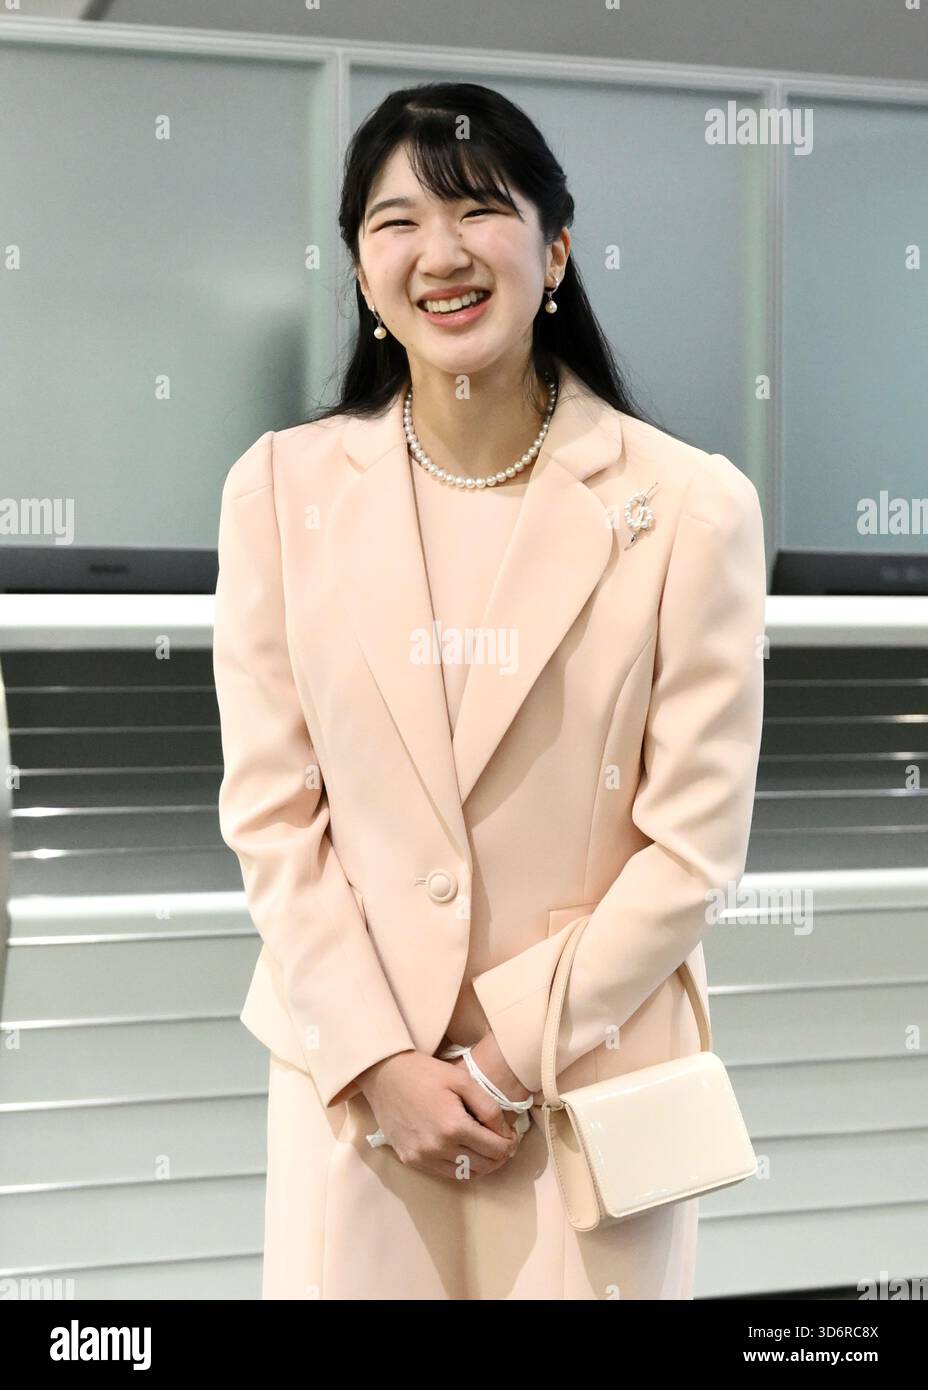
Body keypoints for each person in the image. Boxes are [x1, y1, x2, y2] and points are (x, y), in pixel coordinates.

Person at [212, 81, 767, 1300]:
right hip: (357, 1098)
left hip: (583, 1094)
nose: (441, 253)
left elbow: (692, 847)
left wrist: (504, 1059)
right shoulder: (280, 494)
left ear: (554, 250)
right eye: (396, 222)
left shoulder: (688, 506)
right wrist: (379, 1062)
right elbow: (271, 815)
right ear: (362, 271)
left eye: (478, 211)